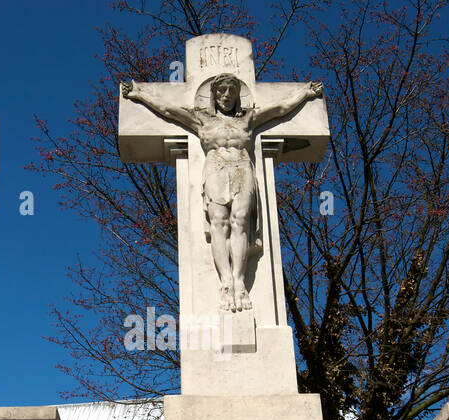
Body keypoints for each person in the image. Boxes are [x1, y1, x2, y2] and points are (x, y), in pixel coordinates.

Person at [123, 73, 323, 312]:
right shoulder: (202, 120)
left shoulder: (248, 118)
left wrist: (305, 93)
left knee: (241, 222)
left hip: (241, 168)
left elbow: (280, 108)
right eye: (221, 91)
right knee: (219, 222)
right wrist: (139, 93)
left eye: (231, 91)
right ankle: (226, 281)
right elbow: (168, 110)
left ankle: (239, 281)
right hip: (216, 167)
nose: (226, 95)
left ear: (238, 95)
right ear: (214, 94)